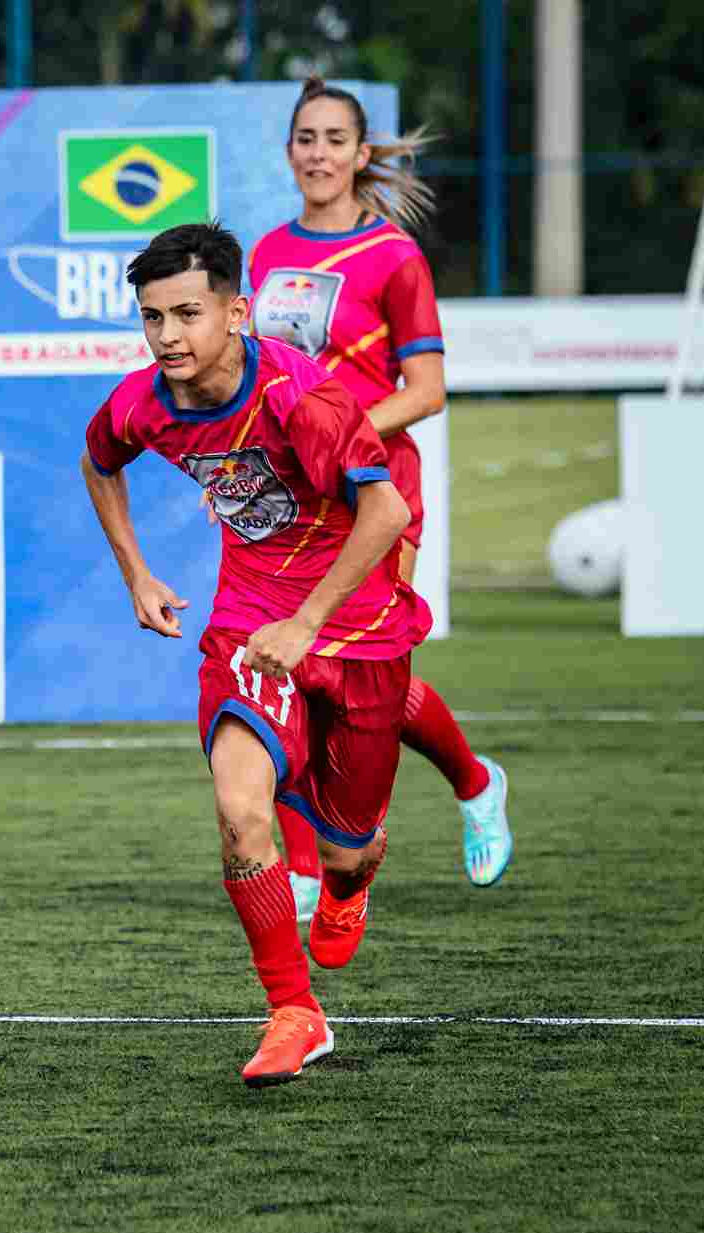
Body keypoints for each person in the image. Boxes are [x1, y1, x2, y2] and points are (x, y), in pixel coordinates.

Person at [80, 221, 427, 1087]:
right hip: (245, 621)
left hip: (356, 629)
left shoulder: (302, 399)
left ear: (236, 312)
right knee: (241, 812)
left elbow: (386, 515)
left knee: (347, 847)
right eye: (153, 318)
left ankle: (350, 880)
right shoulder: (142, 403)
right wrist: (138, 576)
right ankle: (294, 1013)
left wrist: (308, 622)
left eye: (187, 314)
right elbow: (98, 461)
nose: (168, 336)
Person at [248, 77, 514, 917]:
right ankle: (301, 862)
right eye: (305, 137)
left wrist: (335, 425)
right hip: (295, 496)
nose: (318, 153)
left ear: (361, 156)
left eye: (335, 139)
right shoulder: (264, 254)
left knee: (365, 665)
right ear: (290, 151)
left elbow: (427, 390)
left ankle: (475, 785)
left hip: (375, 490)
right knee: (297, 663)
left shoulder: (395, 258)